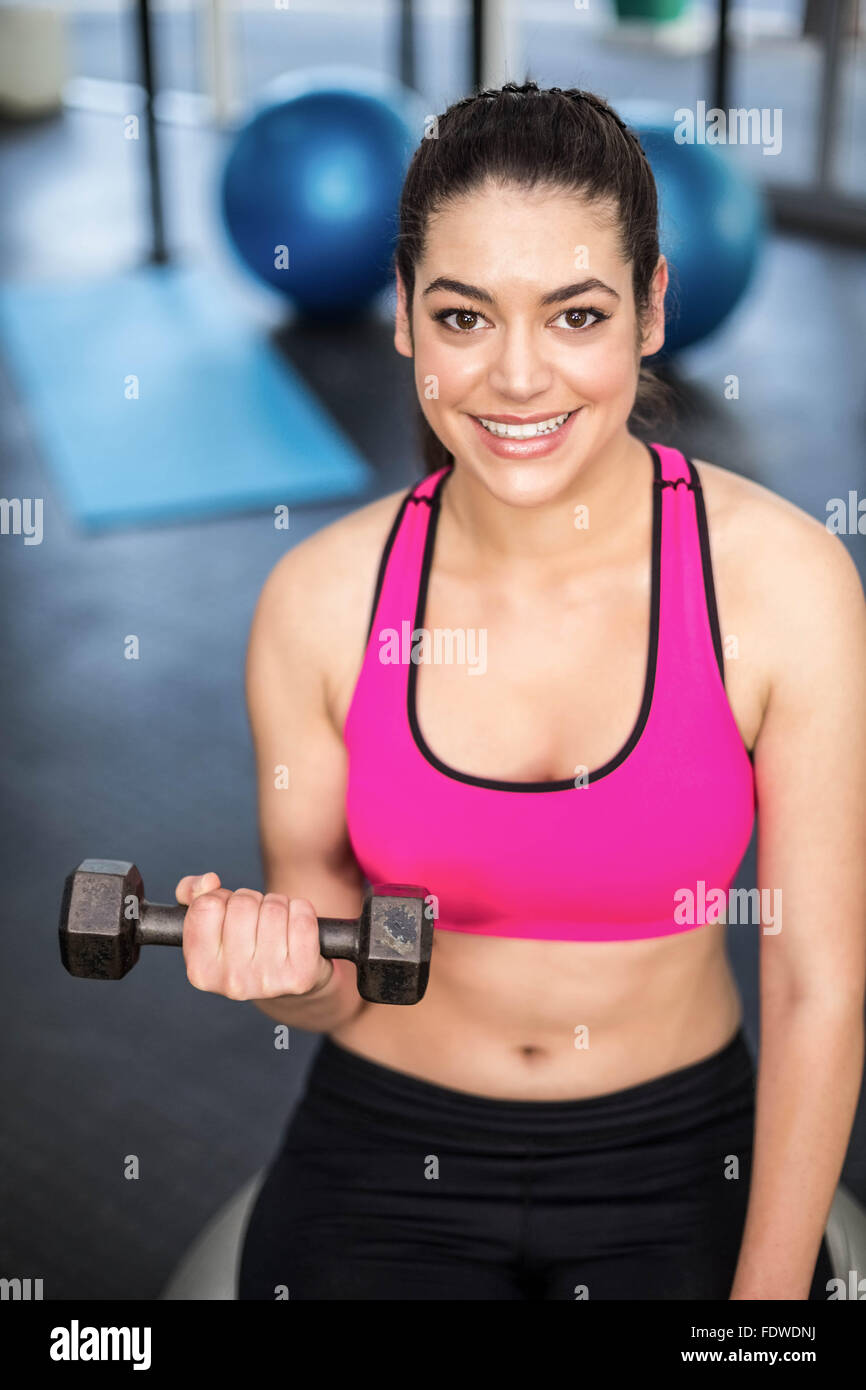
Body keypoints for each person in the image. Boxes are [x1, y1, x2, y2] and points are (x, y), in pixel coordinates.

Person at [175, 82, 866, 1301]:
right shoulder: (320, 602)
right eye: (461, 316)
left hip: (673, 1148)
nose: (514, 376)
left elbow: (817, 986)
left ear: (650, 309)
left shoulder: (783, 583)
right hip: (387, 1143)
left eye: (574, 314)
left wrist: (763, 1322)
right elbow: (334, 979)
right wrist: (285, 970)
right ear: (402, 317)